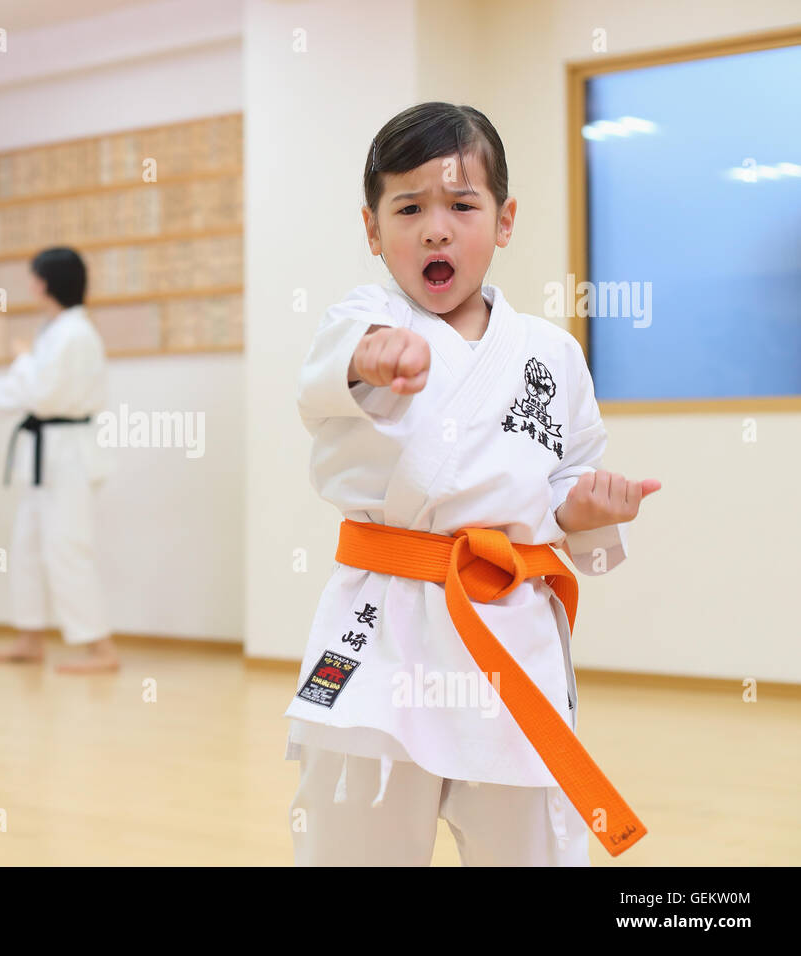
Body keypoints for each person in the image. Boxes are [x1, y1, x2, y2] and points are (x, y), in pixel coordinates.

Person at [286, 102, 661, 866]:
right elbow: (329, 367)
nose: (436, 228)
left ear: (504, 218)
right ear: (371, 229)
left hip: (504, 622)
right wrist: (371, 357)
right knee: (355, 834)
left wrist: (584, 506)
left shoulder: (549, 354)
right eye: (409, 207)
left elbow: (568, 474)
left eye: (462, 205)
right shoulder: (366, 318)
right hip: (384, 618)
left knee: (530, 839)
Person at [0, 247, 117, 673]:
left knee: (67, 548)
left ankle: (101, 648)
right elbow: (35, 390)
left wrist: (22, 358)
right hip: (47, 457)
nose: (30, 286)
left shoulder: (74, 334)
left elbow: (44, 395)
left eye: (33, 278)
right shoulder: (57, 330)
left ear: (46, 283)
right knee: (27, 546)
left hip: (69, 457)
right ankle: (29, 637)